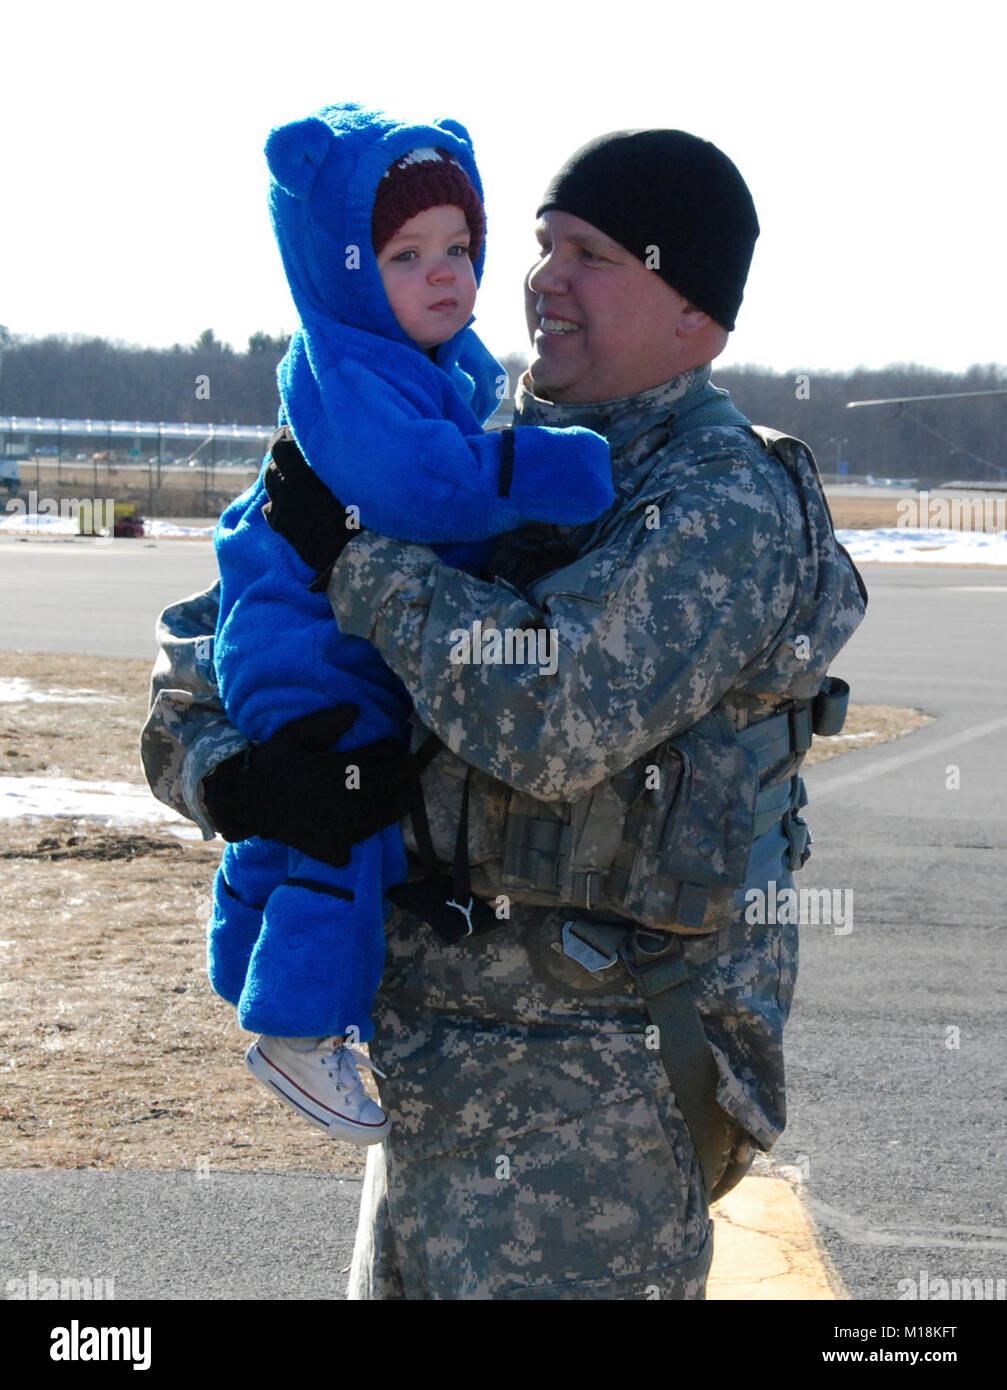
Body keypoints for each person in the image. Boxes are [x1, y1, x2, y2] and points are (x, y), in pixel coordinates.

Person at [142, 127, 867, 1300]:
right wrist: (239, 776)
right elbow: (207, 650)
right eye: (534, 246)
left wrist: (364, 566)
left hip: (594, 1105)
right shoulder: (439, 418)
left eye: (587, 253)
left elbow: (551, 713)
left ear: (692, 308)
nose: (539, 281)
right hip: (422, 1076)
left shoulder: (720, 498)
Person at [207, 104, 612, 1145]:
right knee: (340, 809)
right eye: (402, 253)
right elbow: (421, 488)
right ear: (340, 268)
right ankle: (298, 1029)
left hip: (322, 631)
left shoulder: (435, 363)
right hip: (300, 634)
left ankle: (247, 948)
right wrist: (551, 470)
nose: (443, 272)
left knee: (317, 815)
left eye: (459, 248)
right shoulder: (345, 367)